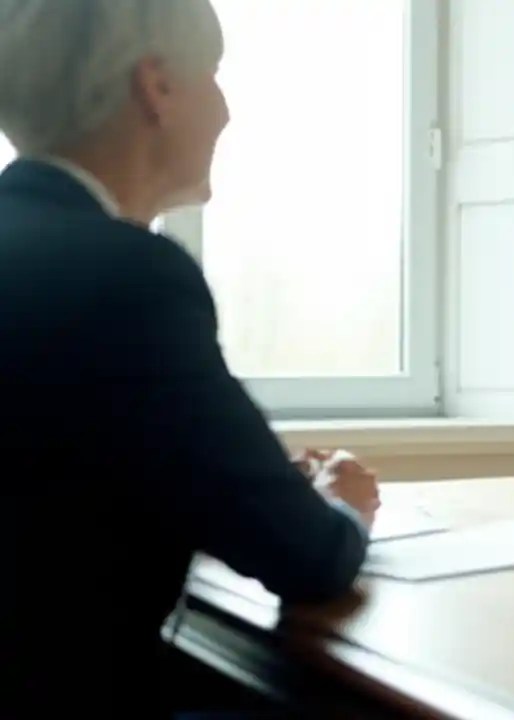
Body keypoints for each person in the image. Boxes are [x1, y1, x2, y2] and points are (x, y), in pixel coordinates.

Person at [0, 0, 380, 713]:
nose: (228, 111)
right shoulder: (129, 277)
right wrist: (341, 506)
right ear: (158, 87)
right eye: (214, 74)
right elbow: (308, 559)